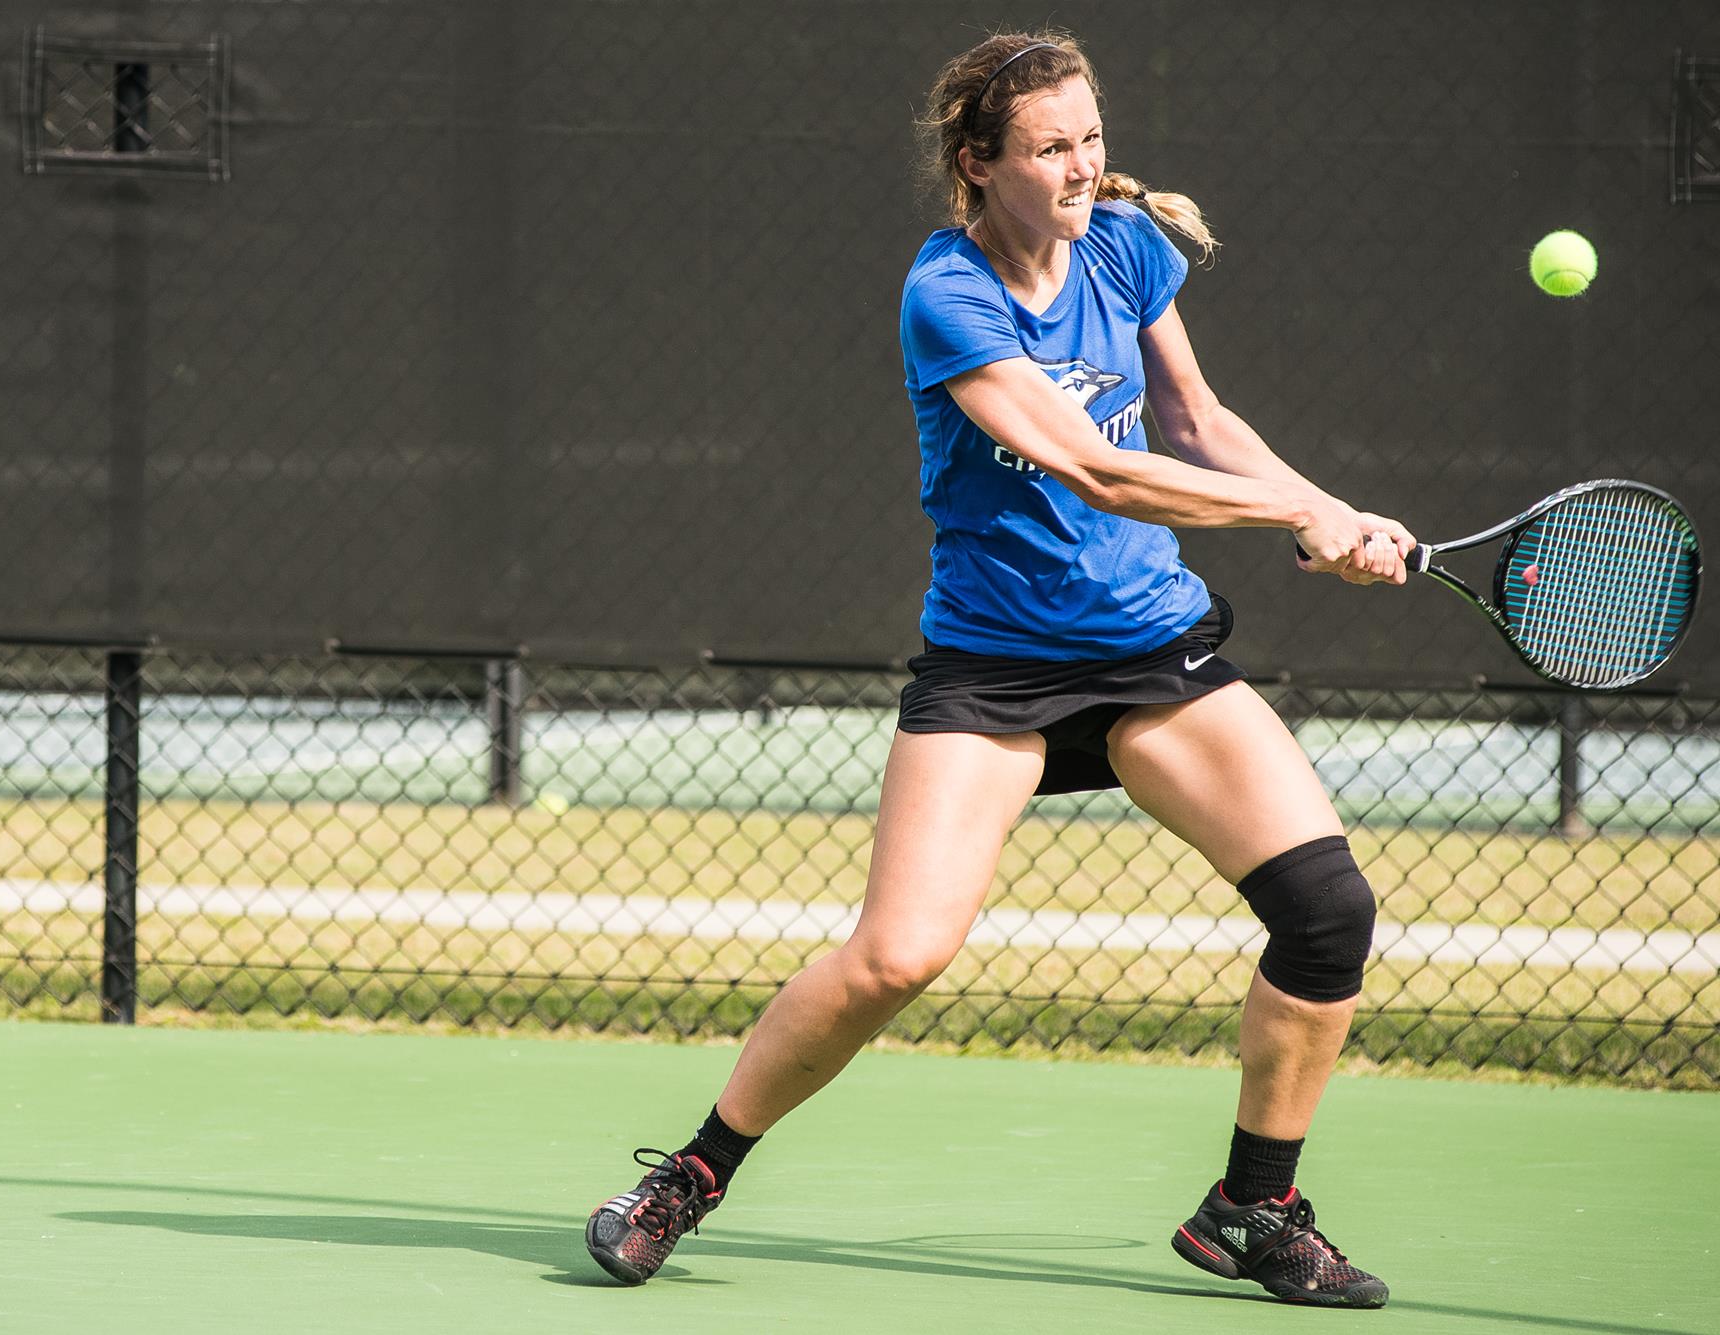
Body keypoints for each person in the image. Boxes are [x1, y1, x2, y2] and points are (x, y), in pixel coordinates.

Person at [584, 30, 1412, 1309]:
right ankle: (689, 1174)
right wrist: (1286, 519)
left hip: (1150, 650)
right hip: (994, 673)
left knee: (1325, 914)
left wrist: (1331, 507)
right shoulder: (946, 295)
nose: (1082, 167)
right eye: (1049, 147)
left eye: (1090, 138)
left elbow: (1190, 420)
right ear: (977, 165)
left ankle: (1253, 1206)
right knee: (895, 958)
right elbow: (1094, 463)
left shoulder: (1128, 250)